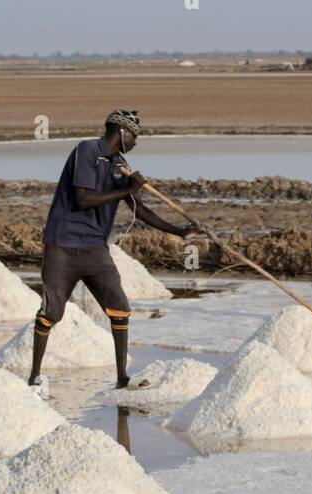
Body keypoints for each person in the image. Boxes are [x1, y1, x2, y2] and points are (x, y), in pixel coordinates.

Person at [29, 110, 199, 388]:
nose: (135, 143)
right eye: (134, 136)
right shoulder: (86, 151)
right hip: (62, 246)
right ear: (121, 131)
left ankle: (122, 377)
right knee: (52, 312)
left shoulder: (120, 163)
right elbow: (84, 199)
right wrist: (127, 189)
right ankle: (34, 376)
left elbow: (137, 209)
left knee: (119, 308)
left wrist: (180, 231)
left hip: (95, 249)